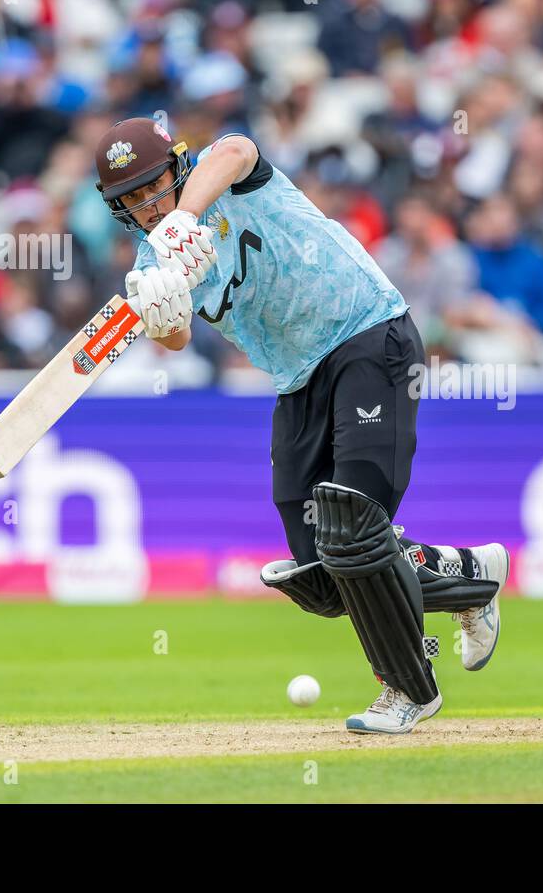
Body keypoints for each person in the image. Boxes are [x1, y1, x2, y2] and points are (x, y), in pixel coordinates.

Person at [93, 117, 508, 735]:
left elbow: (236, 148)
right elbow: (176, 337)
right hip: (297, 382)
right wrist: (160, 313)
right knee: (322, 568)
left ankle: (407, 689)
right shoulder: (153, 259)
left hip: (367, 334)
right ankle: (469, 576)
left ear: (176, 169)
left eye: (154, 187)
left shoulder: (221, 179)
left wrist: (183, 222)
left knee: (354, 522)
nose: (148, 206)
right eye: (131, 200)